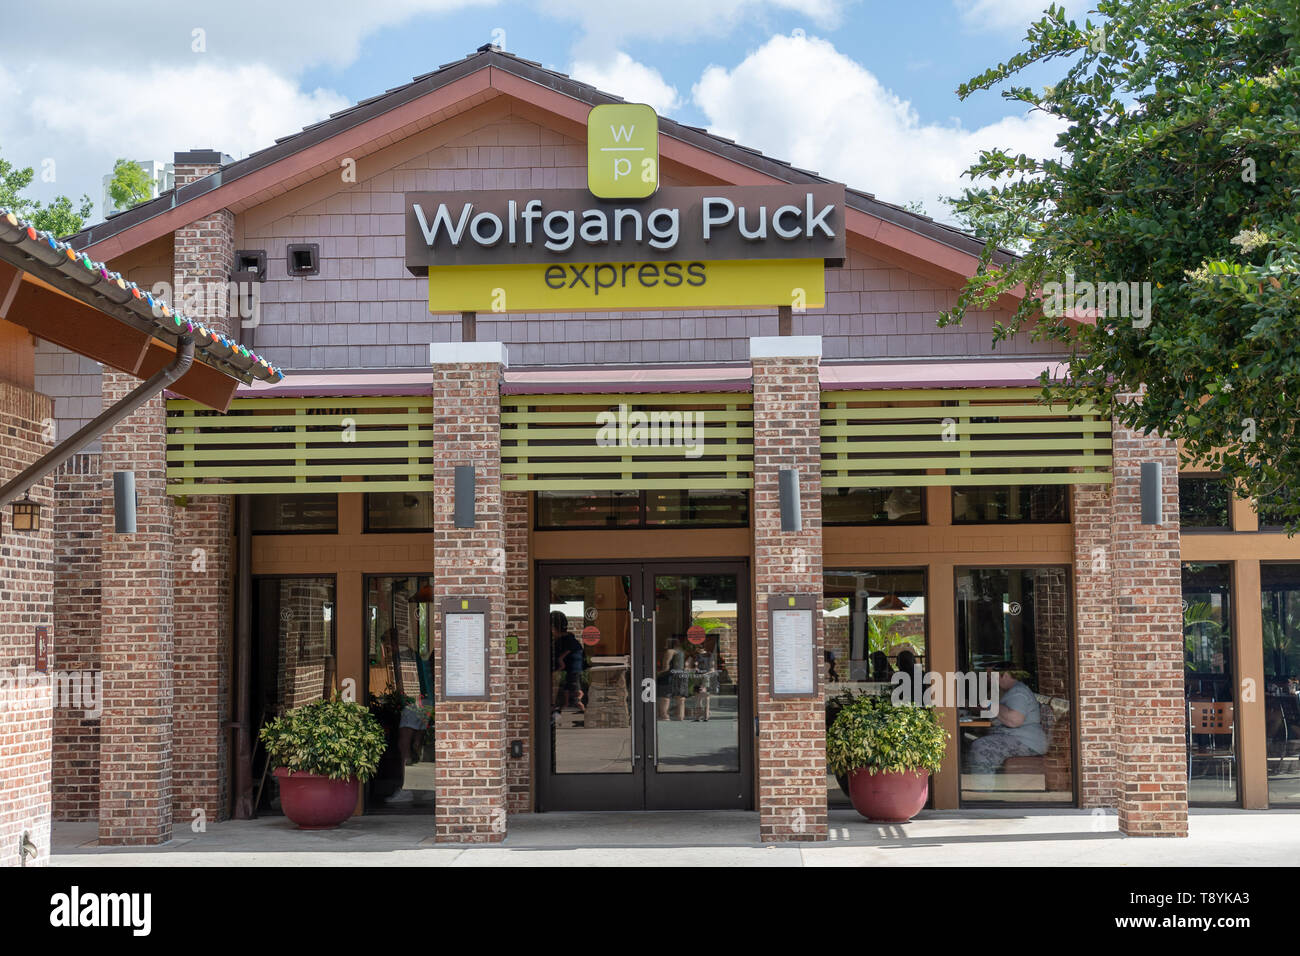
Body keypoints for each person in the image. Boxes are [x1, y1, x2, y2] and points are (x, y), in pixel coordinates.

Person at [966, 663, 1048, 780]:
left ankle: (983, 791)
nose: (989, 681)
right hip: (1019, 739)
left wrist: (990, 705)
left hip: (1026, 741)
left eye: (991, 677)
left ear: (1004, 675)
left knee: (981, 746)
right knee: (973, 740)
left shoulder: (1019, 692)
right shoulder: (1011, 691)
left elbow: (1015, 720)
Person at [551, 610, 585, 713]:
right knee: (571, 690)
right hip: (574, 670)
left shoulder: (564, 641)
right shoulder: (571, 639)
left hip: (572, 671)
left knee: (575, 692)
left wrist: (560, 661)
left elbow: (570, 651)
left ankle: (581, 709)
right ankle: (567, 706)